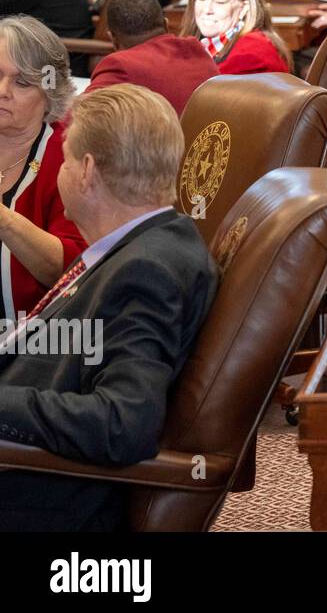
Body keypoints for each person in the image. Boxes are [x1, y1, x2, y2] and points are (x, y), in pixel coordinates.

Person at [0, 84, 218, 531]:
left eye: (63, 161)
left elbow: (123, 421)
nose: (59, 173)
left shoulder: (147, 271)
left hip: (35, 493)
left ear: (86, 171)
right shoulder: (136, 243)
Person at [0, 17, 87, 322]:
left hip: (28, 342)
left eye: (22, 82)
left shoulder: (70, 160)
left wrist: (4, 221)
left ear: (50, 94)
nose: (3, 90)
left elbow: (72, 273)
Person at [86, 0, 217, 116]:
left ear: (113, 39)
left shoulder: (120, 66)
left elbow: (78, 120)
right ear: (166, 25)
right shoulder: (198, 50)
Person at [181, 0, 290, 75]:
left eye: (220, 2)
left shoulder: (251, 54)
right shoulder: (207, 43)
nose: (206, 9)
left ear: (243, 8)